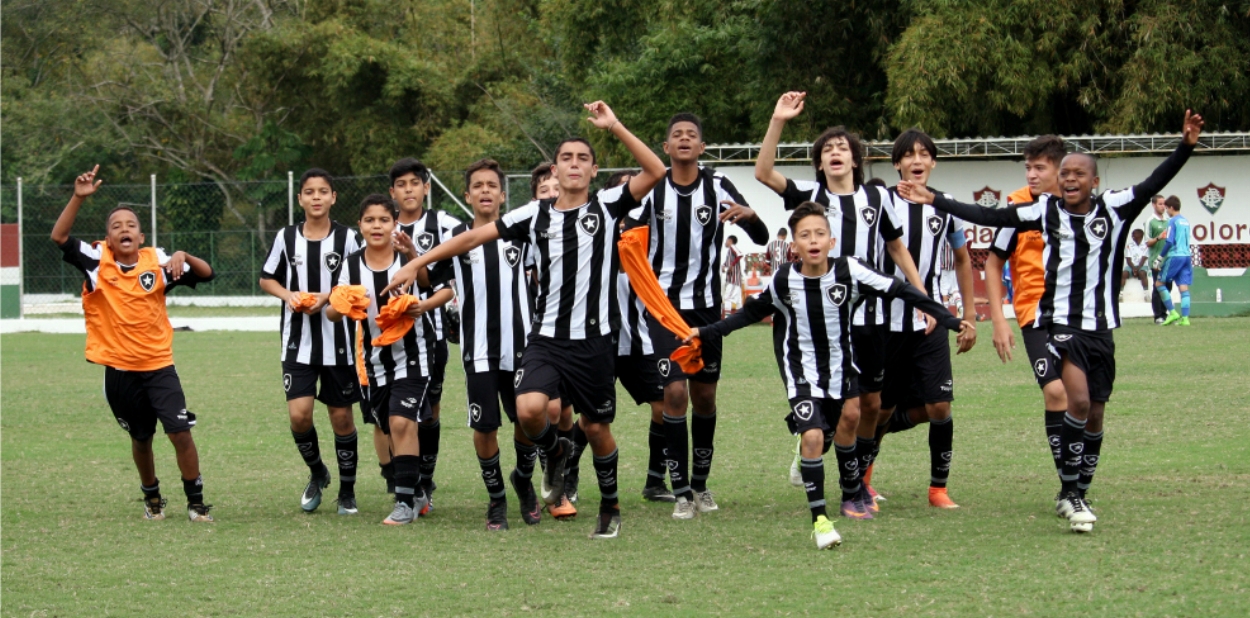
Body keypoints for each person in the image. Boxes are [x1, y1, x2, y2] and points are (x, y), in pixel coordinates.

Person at [898, 110, 1205, 533]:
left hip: (1100, 327)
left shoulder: (1115, 208)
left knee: (1095, 412)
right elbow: (990, 218)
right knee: (1072, 398)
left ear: (1093, 182)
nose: (1071, 180)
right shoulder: (1042, 210)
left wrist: (1185, 145)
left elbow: (1156, 181)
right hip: (1057, 324)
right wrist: (934, 199)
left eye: (1079, 173)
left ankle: (1076, 488)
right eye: (1067, 175)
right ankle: (1071, 492)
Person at [383, 101, 667, 539]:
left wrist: (614, 126)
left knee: (596, 428)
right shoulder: (534, 214)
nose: (574, 164)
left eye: (583, 159)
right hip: (545, 339)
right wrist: (413, 262)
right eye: (566, 158)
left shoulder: (608, 206)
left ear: (593, 171)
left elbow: (655, 170)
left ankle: (609, 507)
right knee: (529, 408)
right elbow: (473, 236)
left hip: (595, 342)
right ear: (554, 170)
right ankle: (555, 452)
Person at [686, 202, 972, 548]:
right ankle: (820, 521)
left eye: (819, 233)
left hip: (843, 367)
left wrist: (949, 319)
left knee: (851, 419)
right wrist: (706, 332)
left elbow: (900, 290)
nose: (813, 240)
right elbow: (748, 314)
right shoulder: (784, 280)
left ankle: (851, 492)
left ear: (831, 241)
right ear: (794, 246)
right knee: (812, 438)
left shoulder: (849, 270)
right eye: (804, 235)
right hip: (802, 372)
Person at [754, 91, 928, 498]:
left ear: (855, 160)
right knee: (827, 405)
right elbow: (763, 172)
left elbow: (896, 248)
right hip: (817, 324)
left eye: (842, 148)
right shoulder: (809, 197)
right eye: (827, 149)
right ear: (820, 163)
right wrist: (778, 120)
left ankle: (858, 479)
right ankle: (809, 447)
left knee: (867, 405)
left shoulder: (878, 198)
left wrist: (923, 299)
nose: (835, 152)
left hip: (868, 320)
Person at [53, 165, 216, 522]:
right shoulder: (96, 261)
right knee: (141, 438)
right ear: (108, 239)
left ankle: (196, 501)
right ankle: (152, 497)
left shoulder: (157, 262)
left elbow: (207, 274)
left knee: (180, 433)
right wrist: (78, 198)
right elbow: (60, 236)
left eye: (130, 225)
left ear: (141, 236)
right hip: (120, 371)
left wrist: (183, 256)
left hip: (159, 366)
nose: (124, 229)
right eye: (116, 226)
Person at [633, 112, 769, 518]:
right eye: (677, 135)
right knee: (674, 392)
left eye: (693, 134)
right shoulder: (653, 188)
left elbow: (760, 237)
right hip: (663, 308)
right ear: (667, 147)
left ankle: (702, 486)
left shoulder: (717, 185)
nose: (685, 139)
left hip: (707, 309)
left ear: (702, 146)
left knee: (704, 395)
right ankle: (679, 493)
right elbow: (625, 235)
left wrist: (751, 217)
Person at [871, 129, 979, 511]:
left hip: (930, 320)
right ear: (897, 163)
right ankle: (863, 480)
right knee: (878, 409)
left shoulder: (945, 206)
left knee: (940, 406)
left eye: (924, 154)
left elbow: (963, 259)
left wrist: (969, 315)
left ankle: (937, 490)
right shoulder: (881, 201)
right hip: (886, 321)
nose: (917, 160)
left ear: (933, 162)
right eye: (908, 155)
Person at [434, 159, 543, 530]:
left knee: (527, 422)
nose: (484, 191)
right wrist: (406, 255)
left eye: (491, 185)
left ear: (502, 193)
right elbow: (429, 277)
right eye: (477, 185)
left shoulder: (521, 235)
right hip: (478, 349)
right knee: (485, 428)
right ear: (467, 195)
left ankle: (524, 483)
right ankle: (496, 499)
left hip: (523, 347)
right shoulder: (457, 241)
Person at [327, 195, 435, 525]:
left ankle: (404, 504)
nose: (377, 226)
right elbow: (332, 312)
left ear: (395, 224)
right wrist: (341, 304)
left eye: (384, 220)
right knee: (389, 427)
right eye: (370, 220)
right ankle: (415, 488)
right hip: (374, 362)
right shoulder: (351, 265)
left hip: (414, 354)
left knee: (403, 421)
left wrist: (415, 268)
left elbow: (437, 286)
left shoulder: (407, 259)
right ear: (360, 225)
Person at [259, 168, 361, 515]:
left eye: (323, 191)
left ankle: (347, 492)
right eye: (309, 192)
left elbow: (360, 281)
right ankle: (318, 472)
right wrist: (289, 295)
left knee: (341, 418)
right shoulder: (286, 238)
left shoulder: (348, 238)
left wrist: (330, 295)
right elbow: (266, 278)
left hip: (341, 341)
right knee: (299, 416)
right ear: (300, 199)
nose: (316, 197)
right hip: (297, 343)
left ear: (333, 197)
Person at [983, 135, 1070, 488]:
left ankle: (1077, 479)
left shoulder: (1079, 205)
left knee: (1082, 400)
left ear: (1059, 170)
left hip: (1075, 315)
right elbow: (992, 264)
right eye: (1028, 168)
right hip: (1033, 314)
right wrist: (999, 319)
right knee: (1055, 392)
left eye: (1039, 168)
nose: (1031, 175)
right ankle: (1068, 484)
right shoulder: (1017, 208)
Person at [388, 157, 458, 512]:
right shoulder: (380, 225)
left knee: (428, 413)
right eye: (401, 184)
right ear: (392, 192)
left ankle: (423, 484)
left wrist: (416, 257)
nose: (409, 189)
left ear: (426, 188)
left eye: (415, 183)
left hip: (430, 337)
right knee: (391, 416)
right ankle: (404, 480)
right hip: (386, 341)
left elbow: (443, 281)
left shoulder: (445, 224)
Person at [1158, 196, 1194, 326]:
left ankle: (1172, 312)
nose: (1166, 210)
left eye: (1167, 208)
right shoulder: (1185, 221)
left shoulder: (1172, 221)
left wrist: (1160, 257)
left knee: (1159, 283)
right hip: (1187, 256)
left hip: (1176, 255)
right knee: (1183, 287)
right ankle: (1185, 318)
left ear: (1172, 208)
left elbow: (1169, 241)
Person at [1144, 195, 1172, 323]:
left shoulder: (1168, 220)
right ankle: (1158, 316)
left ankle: (1165, 314)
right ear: (1154, 205)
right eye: (1160, 204)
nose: (1163, 207)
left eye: (1164, 204)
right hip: (1156, 260)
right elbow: (1147, 242)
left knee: (1168, 287)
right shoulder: (1150, 221)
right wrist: (1158, 238)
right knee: (1158, 287)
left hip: (1168, 259)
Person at [1121, 229, 1150, 302]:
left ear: (1140, 235)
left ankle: (1146, 294)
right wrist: (1134, 268)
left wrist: (1137, 269)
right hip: (1131, 266)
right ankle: (1120, 294)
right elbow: (1128, 259)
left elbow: (1144, 258)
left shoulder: (1146, 245)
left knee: (1142, 273)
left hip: (1142, 265)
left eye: (1134, 234)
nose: (1132, 236)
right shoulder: (1129, 246)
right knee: (1123, 274)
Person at [722, 235, 745, 313]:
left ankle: (727, 317)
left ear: (730, 240)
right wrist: (724, 265)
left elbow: (740, 254)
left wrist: (732, 265)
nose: (725, 242)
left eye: (726, 240)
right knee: (738, 301)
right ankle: (741, 318)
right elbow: (729, 262)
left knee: (728, 297)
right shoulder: (729, 251)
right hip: (735, 279)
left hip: (733, 279)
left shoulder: (732, 247)